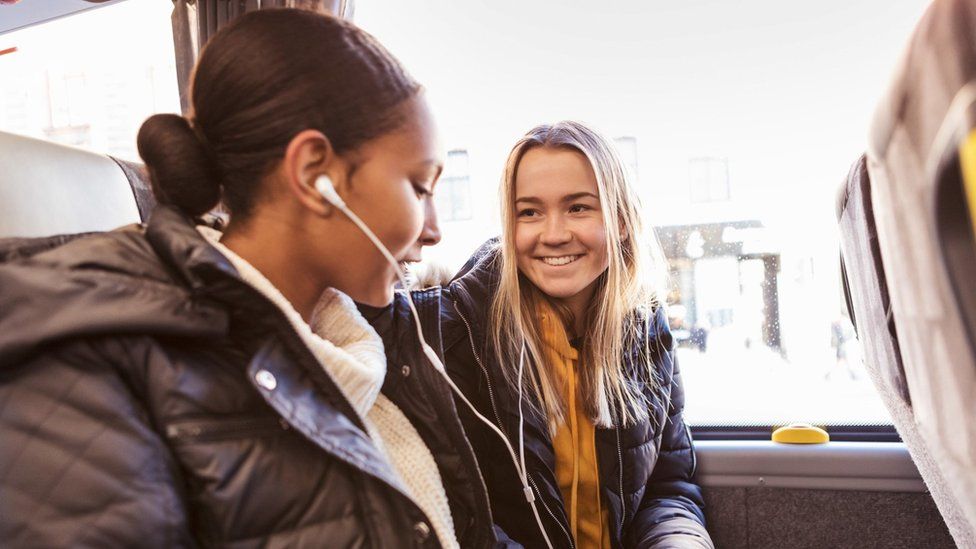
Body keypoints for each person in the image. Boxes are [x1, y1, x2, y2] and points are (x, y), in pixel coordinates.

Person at [0, 10, 500, 548]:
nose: (433, 231)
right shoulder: (92, 365)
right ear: (314, 175)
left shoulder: (369, 346)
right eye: (419, 187)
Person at [439, 121, 713, 548]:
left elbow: (667, 486)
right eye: (529, 212)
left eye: (578, 208)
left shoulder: (644, 330)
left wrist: (679, 543)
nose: (553, 234)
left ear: (621, 220)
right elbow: (454, 512)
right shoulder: (464, 330)